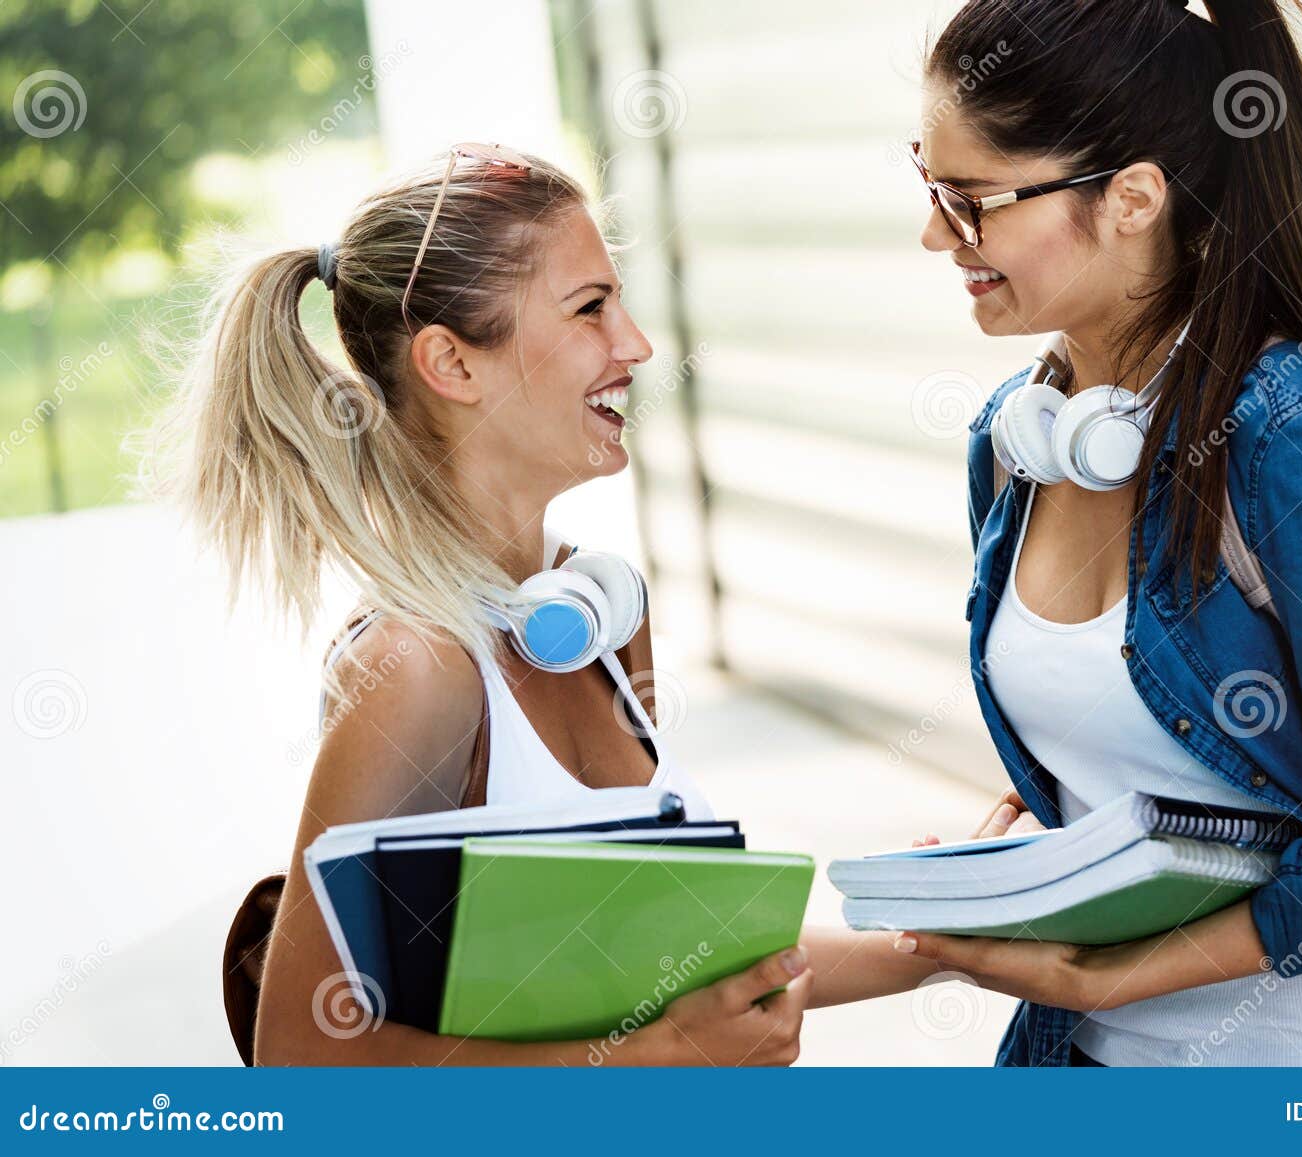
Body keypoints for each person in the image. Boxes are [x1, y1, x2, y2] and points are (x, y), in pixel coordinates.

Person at [148, 144, 930, 1065]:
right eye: (590, 308)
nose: (634, 343)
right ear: (451, 362)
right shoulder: (416, 669)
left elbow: (687, 967)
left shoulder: (594, 617)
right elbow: (304, 1060)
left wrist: (935, 943)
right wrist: (656, 1056)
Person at [889, 0, 1302, 1067]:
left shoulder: (1292, 444)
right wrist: (1024, 873)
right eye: (926, 186)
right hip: (1070, 1055)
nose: (933, 235)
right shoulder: (1017, 444)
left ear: (1132, 196)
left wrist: (1122, 965)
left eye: (969, 201)